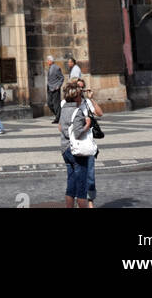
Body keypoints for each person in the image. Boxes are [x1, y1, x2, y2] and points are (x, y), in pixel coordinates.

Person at [58, 79, 93, 209]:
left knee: (71, 185)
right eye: (79, 94)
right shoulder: (77, 112)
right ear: (75, 96)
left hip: (65, 149)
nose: (81, 97)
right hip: (76, 151)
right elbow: (78, 133)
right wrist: (88, 125)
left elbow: (60, 127)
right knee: (81, 188)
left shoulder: (63, 110)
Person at [77, 79, 103, 207]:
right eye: (78, 87)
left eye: (82, 88)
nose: (81, 90)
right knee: (78, 175)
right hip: (75, 145)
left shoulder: (86, 103)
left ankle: (90, 202)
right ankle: (79, 201)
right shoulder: (68, 103)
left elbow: (100, 113)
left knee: (90, 176)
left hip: (88, 144)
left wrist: (91, 98)